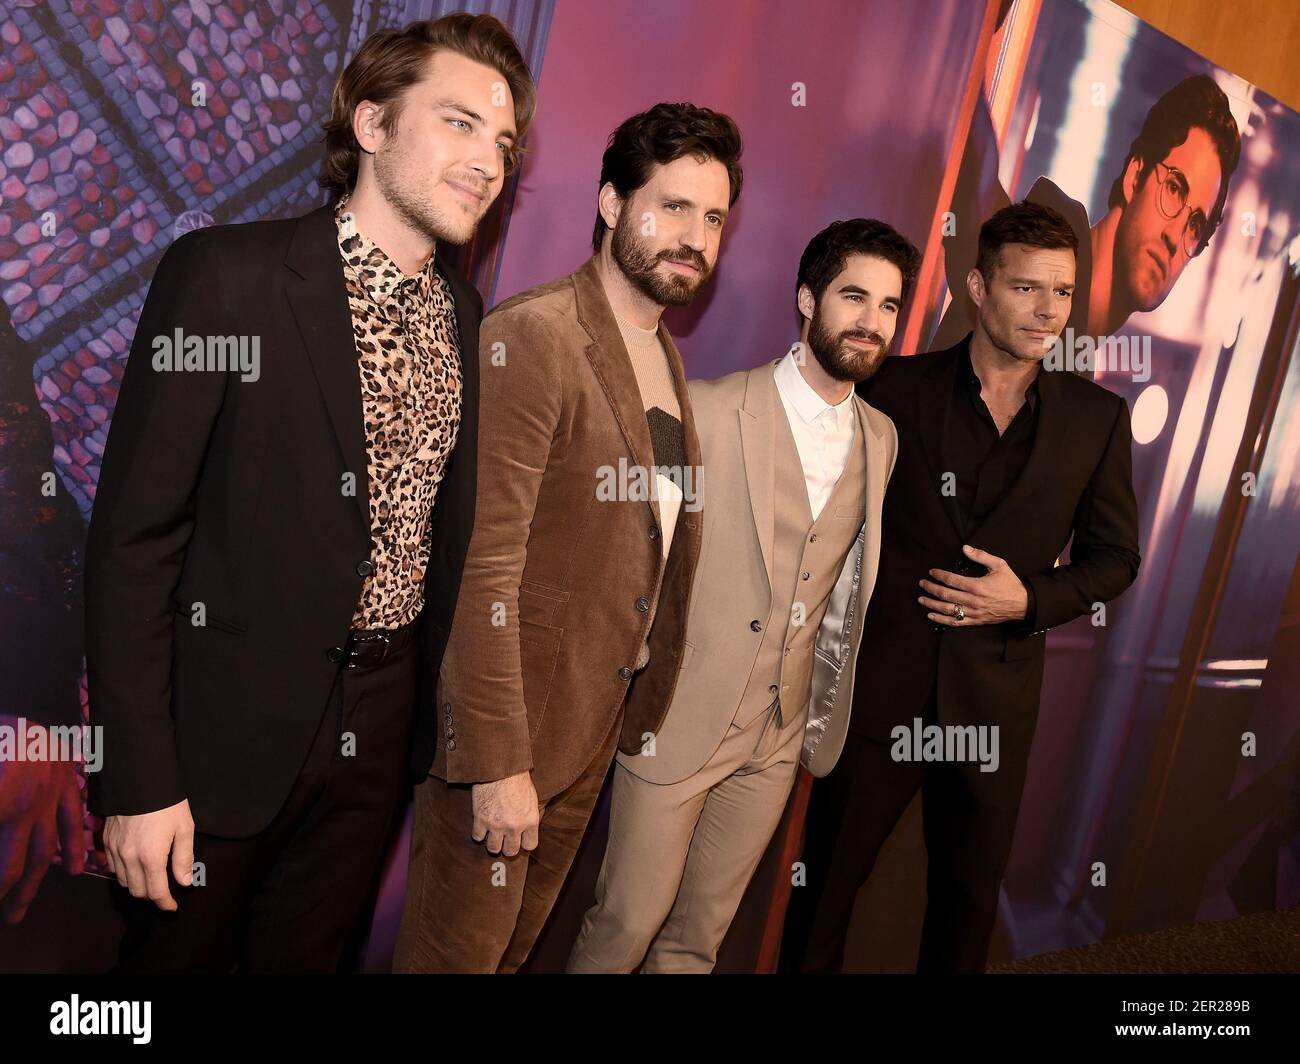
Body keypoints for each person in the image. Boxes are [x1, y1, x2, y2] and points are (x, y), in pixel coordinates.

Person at [85, 14, 535, 972]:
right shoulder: (226, 279)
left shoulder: (461, 315)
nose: (488, 163)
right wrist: (137, 778)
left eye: (502, 144)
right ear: (370, 125)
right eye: (458, 123)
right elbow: (132, 543)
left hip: (374, 744)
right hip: (218, 745)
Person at [393, 103, 743, 973]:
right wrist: (497, 765)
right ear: (613, 204)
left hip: (585, 734)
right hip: (506, 744)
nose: (693, 237)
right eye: (671, 207)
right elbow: (481, 563)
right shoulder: (536, 336)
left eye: (713, 218)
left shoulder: (662, 357)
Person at [781, 201, 1141, 974]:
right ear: (979, 285)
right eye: (1026, 289)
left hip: (993, 710)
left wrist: (1031, 600)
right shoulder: (891, 390)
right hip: (879, 694)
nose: (1049, 312)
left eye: (1064, 292)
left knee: (964, 916)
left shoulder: (1097, 420)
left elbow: (1117, 558)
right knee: (822, 901)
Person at [568, 220, 917, 973]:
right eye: (854, 296)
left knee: (699, 940)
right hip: (675, 722)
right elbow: (627, 566)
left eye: (890, 306)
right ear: (806, 297)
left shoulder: (882, 439)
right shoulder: (699, 409)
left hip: (777, 738)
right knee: (624, 925)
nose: (871, 321)